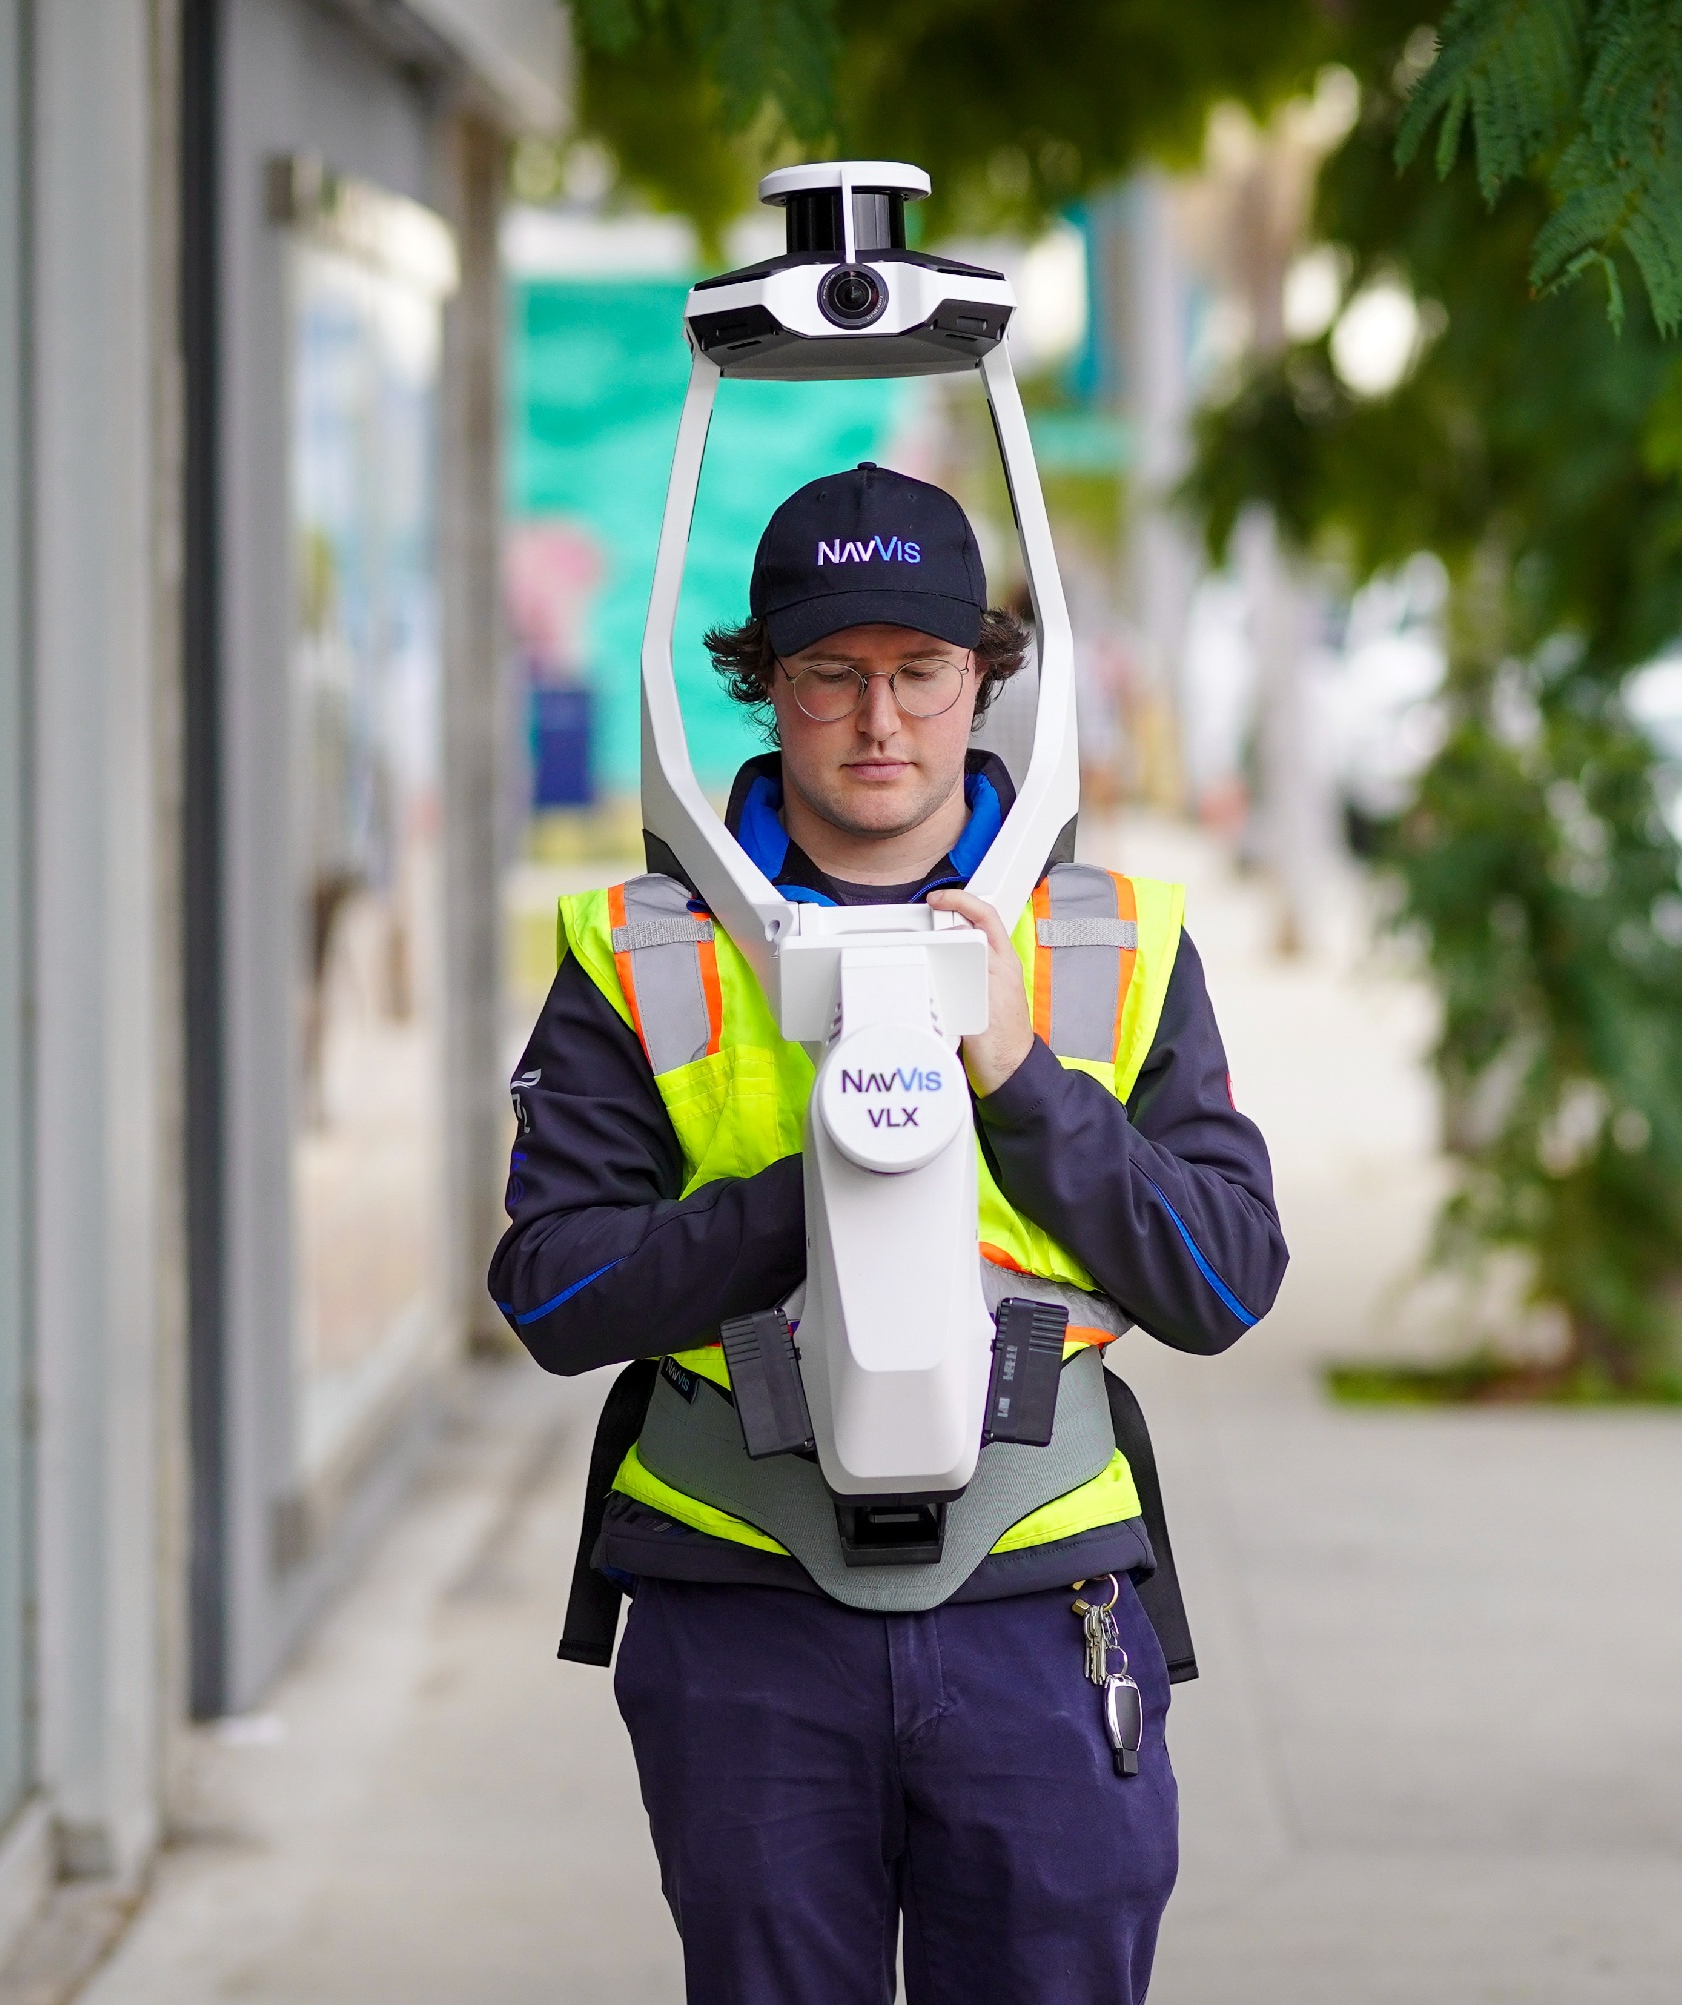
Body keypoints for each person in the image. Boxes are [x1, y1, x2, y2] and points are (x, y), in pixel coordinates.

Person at [491, 463, 1287, 2005]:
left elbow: (1223, 1278)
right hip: (743, 1600)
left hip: (1041, 1599)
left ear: (981, 679)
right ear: (762, 684)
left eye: (921, 673)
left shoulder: (1108, 941)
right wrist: (838, 1182)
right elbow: (552, 1288)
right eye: (830, 676)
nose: (879, 722)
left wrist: (1017, 1083)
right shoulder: (644, 950)